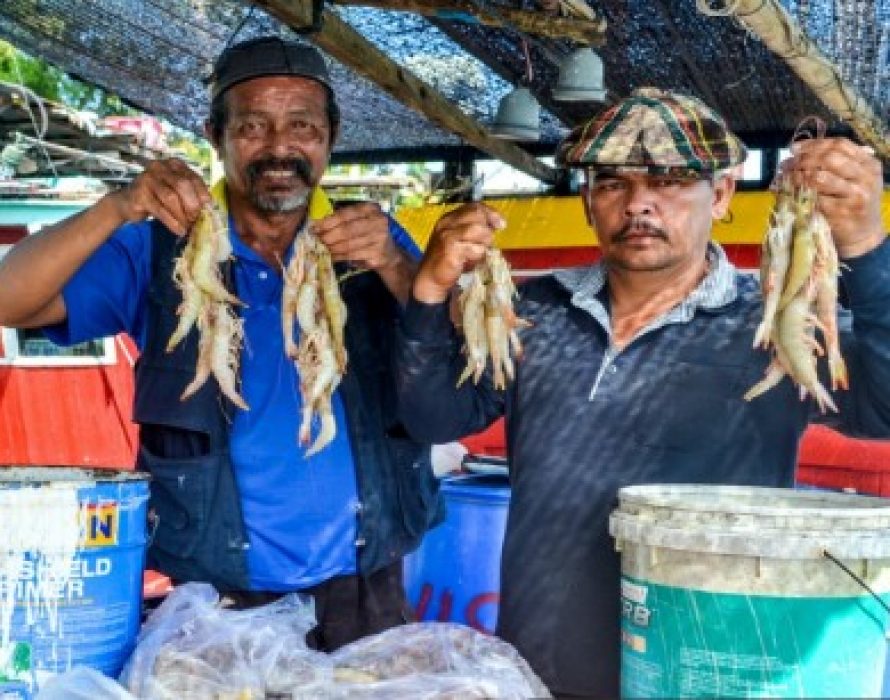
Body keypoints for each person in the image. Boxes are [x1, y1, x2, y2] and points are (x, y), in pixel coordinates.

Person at [393, 87, 890, 697]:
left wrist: (867, 251)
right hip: (543, 668)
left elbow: (881, 411)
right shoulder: (535, 312)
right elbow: (431, 415)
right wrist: (428, 292)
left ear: (724, 195)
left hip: (710, 670)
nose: (639, 205)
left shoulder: (776, 322)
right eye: (612, 184)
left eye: (673, 179)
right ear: (588, 201)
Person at [0, 35, 443, 651]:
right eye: (253, 126)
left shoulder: (371, 241)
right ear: (216, 133)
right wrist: (118, 206)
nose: (279, 146)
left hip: (364, 591)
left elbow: (450, 369)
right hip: (215, 596)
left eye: (302, 126)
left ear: (331, 137)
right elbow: (9, 299)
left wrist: (395, 262)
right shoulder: (160, 248)